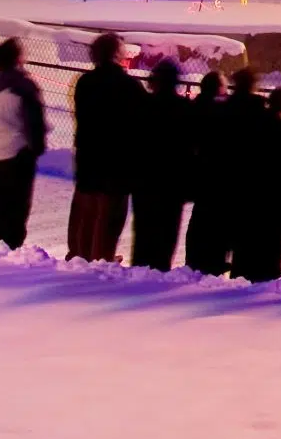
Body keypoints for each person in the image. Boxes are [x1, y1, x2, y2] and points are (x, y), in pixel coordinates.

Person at [66, 35, 141, 262]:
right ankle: (102, 257)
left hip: (88, 152)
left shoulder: (84, 82)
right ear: (116, 54)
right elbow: (140, 120)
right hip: (117, 157)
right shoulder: (129, 86)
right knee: (110, 211)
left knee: (86, 206)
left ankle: (80, 252)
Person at [0, 39, 47, 248]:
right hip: (17, 153)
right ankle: (10, 246)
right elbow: (33, 121)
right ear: (18, 58)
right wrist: (36, 146)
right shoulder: (23, 86)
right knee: (15, 207)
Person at [222, 71, 281, 283]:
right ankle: (264, 268)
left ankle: (240, 268)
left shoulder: (228, 108)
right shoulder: (268, 117)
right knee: (267, 232)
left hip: (239, 178)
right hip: (268, 185)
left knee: (242, 228)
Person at [129, 61, 194, 270]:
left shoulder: (141, 106)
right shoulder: (184, 109)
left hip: (144, 177)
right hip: (172, 178)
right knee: (167, 228)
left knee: (143, 226)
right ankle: (161, 265)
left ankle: (140, 263)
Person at [180, 71, 232, 273]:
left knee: (199, 218)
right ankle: (213, 260)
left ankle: (194, 259)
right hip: (217, 173)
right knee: (216, 220)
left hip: (199, 171)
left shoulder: (195, 107)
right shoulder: (222, 110)